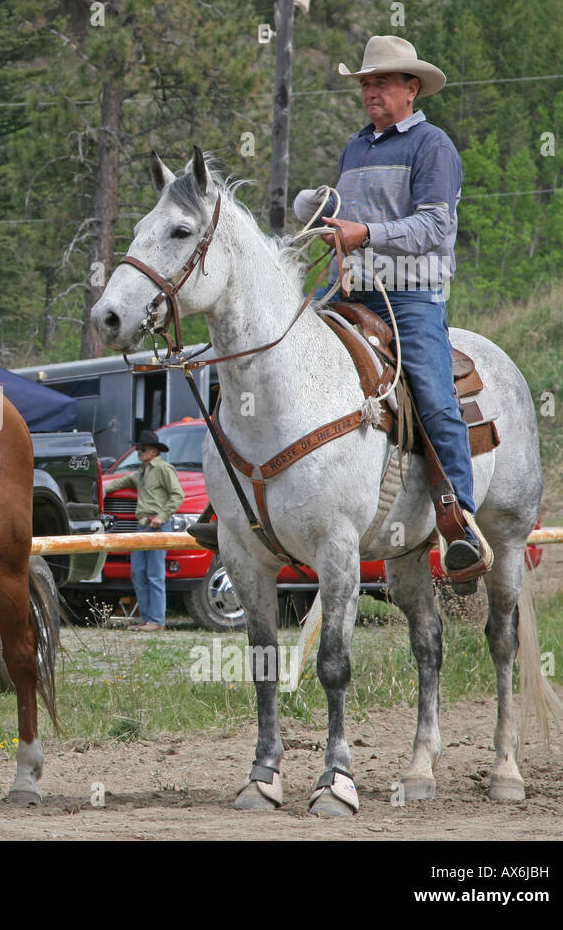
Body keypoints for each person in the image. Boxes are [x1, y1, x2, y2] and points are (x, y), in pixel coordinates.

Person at [193, 35, 489, 589]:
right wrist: (325, 205)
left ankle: (459, 521)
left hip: (410, 299)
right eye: (365, 83)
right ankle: (228, 504)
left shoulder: (433, 146)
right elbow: (351, 212)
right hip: (346, 291)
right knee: (252, 359)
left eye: (380, 82)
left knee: (432, 391)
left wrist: (365, 232)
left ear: (411, 88)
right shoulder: (358, 147)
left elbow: (436, 227)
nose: (370, 91)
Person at [105, 431, 185, 632]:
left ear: (154, 451)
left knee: (155, 573)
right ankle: (148, 619)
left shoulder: (164, 469)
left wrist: (161, 517)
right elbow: (120, 482)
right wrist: (100, 488)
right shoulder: (141, 472)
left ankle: (157, 620)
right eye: (138, 449)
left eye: (142, 449)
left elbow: (178, 495)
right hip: (142, 526)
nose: (139, 452)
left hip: (156, 526)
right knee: (137, 572)